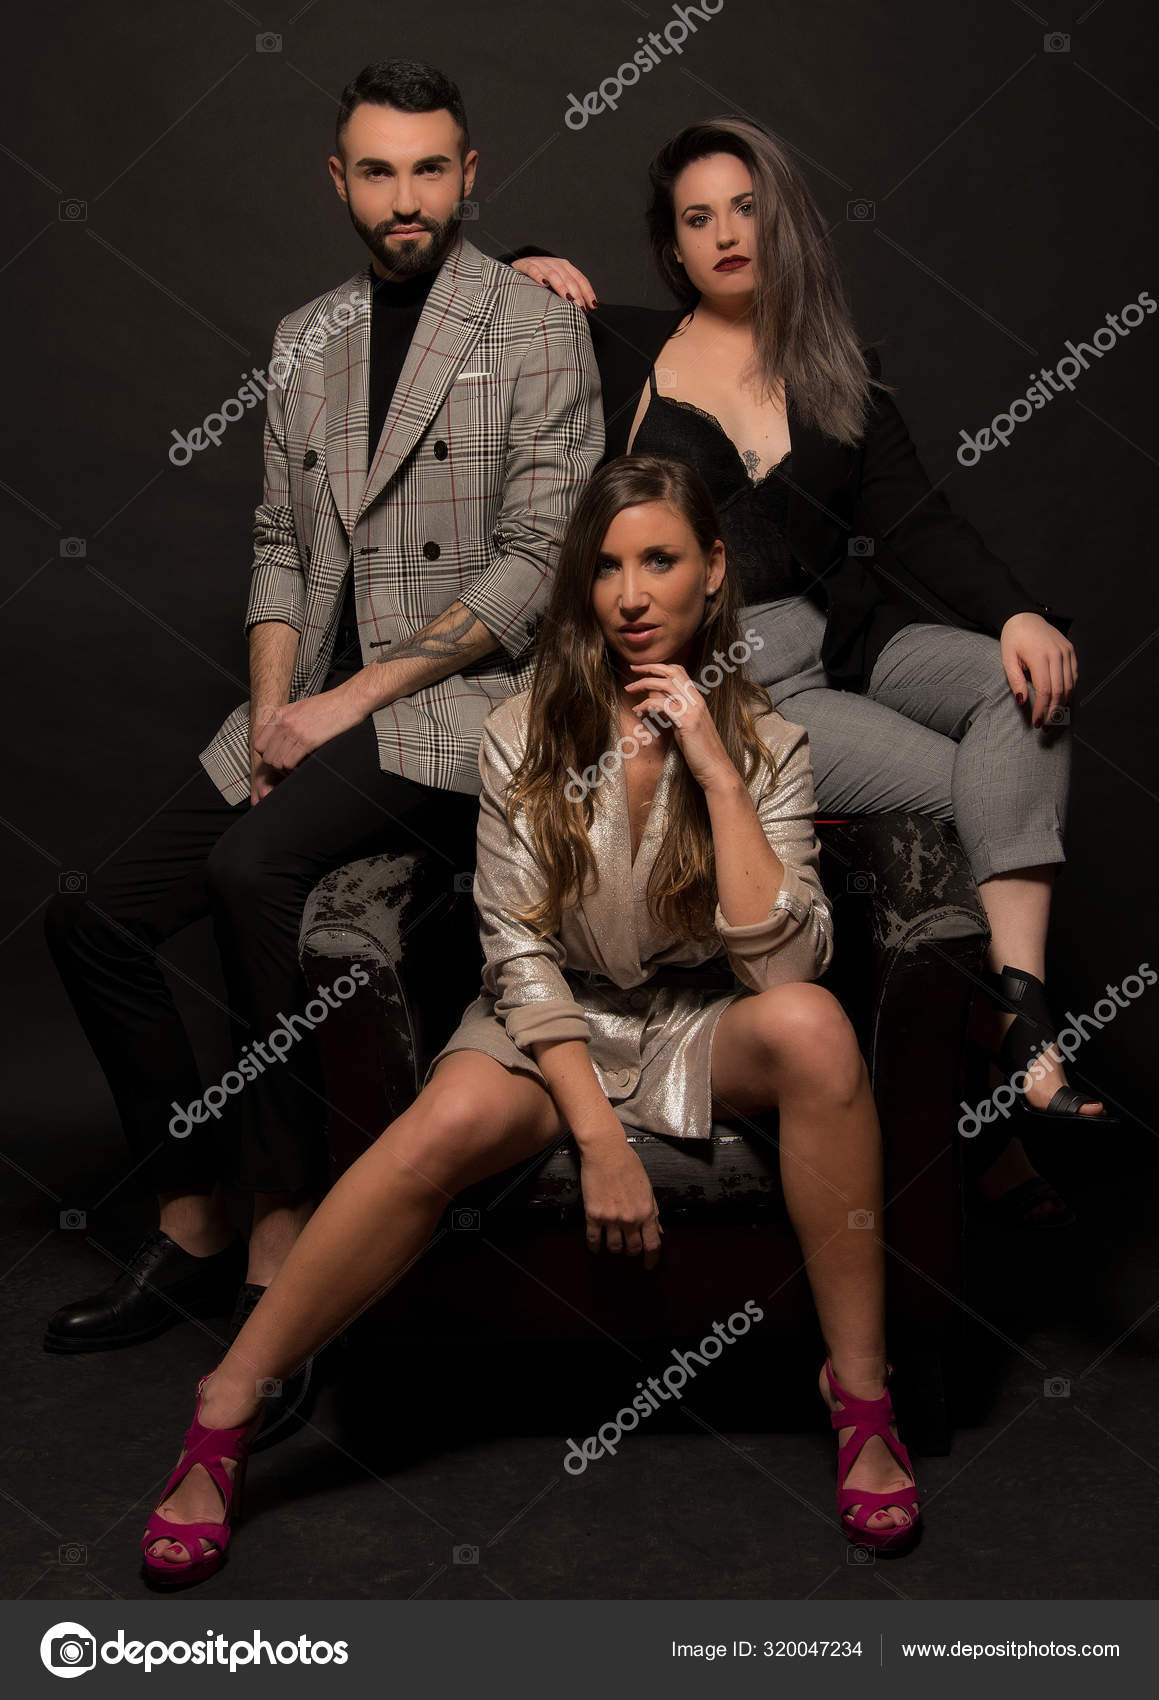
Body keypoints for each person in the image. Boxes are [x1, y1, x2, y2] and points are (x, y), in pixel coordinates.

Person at [139, 453, 921, 1587]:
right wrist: (600, 1140)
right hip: (550, 1017)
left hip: (699, 1018)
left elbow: (785, 964)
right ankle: (225, 1407)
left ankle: (860, 1396)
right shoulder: (520, 731)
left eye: (659, 560)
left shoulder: (771, 746)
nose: (631, 595)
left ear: (713, 570)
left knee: (813, 1026)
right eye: (604, 567)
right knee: (444, 1120)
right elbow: (516, 951)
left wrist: (715, 767)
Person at [39, 59, 603, 1412]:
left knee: (251, 870)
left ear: (468, 176)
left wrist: (349, 701)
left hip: (456, 705)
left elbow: (539, 563)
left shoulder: (534, 325)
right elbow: (281, 549)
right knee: (93, 919)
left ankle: (284, 1225)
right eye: (377, 171)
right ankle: (192, 1211)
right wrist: (274, 705)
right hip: (315, 699)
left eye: (429, 169)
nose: (405, 198)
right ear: (338, 181)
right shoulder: (306, 335)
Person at [503, 114, 1117, 1228]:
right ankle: (997, 1074)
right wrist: (523, 262)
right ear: (672, 246)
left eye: (746, 208)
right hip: (741, 688)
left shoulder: (842, 373)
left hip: (844, 644)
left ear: (781, 220)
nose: (726, 233)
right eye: (698, 218)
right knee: (971, 792)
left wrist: (1019, 612)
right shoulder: (621, 349)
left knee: (1022, 699)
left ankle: (1018, 1013)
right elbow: (484, 312)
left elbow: (921, 524)